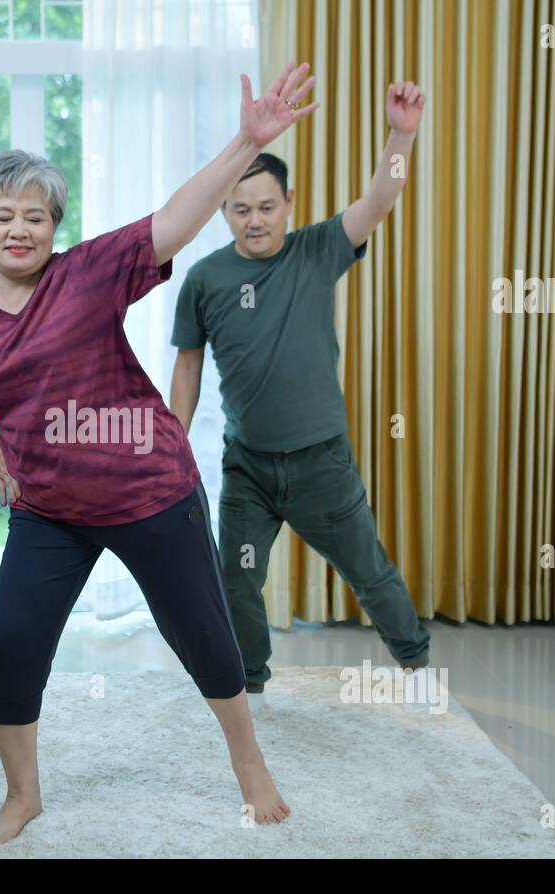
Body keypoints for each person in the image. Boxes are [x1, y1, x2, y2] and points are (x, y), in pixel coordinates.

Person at [0, 63, 320, 844]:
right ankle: (23, 794)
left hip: (149, 493)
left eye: (36, 216)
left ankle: (249, 762)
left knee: (206, 639)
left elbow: (174, 219)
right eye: (3, 215)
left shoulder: (87, 273)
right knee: (10, 643)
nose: (20, 229)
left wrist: (246, 143)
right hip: (47, 509)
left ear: (55, 226)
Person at [169, 82, 431, 697]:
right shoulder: (205, 278)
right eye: (240, 209)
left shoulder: (317, 250)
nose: (254, 219)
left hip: (321, 461)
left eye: (266, 206)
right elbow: (187, 367)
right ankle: (251, 685)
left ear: (289, 202)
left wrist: (403, 135)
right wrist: (174, 443)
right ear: (224, 212)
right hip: (248, 468)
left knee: (369, 573)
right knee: (235, 579)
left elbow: (380, 199)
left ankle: (419, 668)